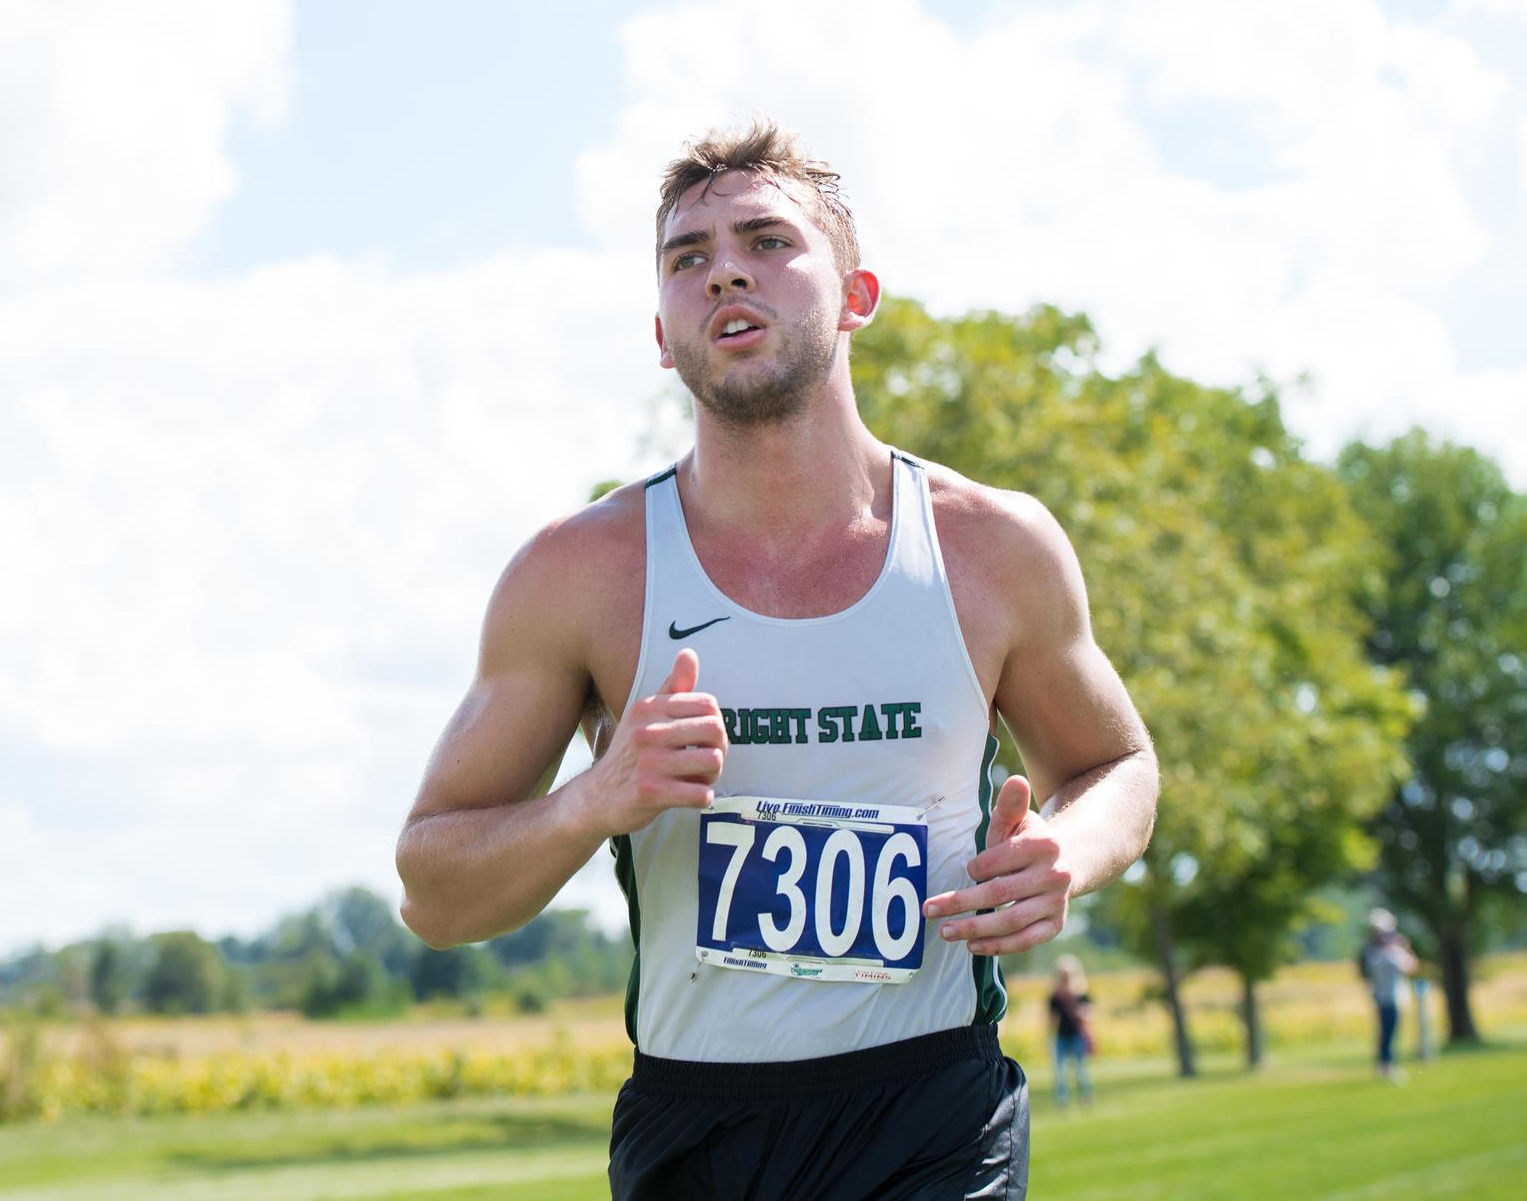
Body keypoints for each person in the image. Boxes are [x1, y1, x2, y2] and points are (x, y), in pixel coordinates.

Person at [396, 119, 1160, 1199]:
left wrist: (1064, 856)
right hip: (696, 1126)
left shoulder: (991, 546)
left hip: (932, 1111)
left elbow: (1118, 765)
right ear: (661, 332)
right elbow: (433, 893)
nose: (724, 275)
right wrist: (591, 799)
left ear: (856, 296)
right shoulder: (578, 574)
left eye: (767, 241)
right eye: (687, 258)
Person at [1361, 907, 1417, 1082]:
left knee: (1385, 1033)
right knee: (1390, 1034)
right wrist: (1404, 948)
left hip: (1379, 997)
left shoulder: (1372, 953)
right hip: (1392, 998)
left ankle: (1384, 1065)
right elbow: (1412, 966)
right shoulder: (1391, 953)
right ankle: (1387, 1066)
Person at [1046, 955, 1095, 1107]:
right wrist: (1048, 1039)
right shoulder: (1055, 997)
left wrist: (1080, 1011)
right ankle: (1062, 1100)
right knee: (1060, 1073)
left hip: (1077, 1036)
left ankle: (1086, 1097)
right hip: (1061, 1037)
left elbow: (1090, 1015)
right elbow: (1051, 1020)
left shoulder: (1081, 994)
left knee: (1081, 1071)